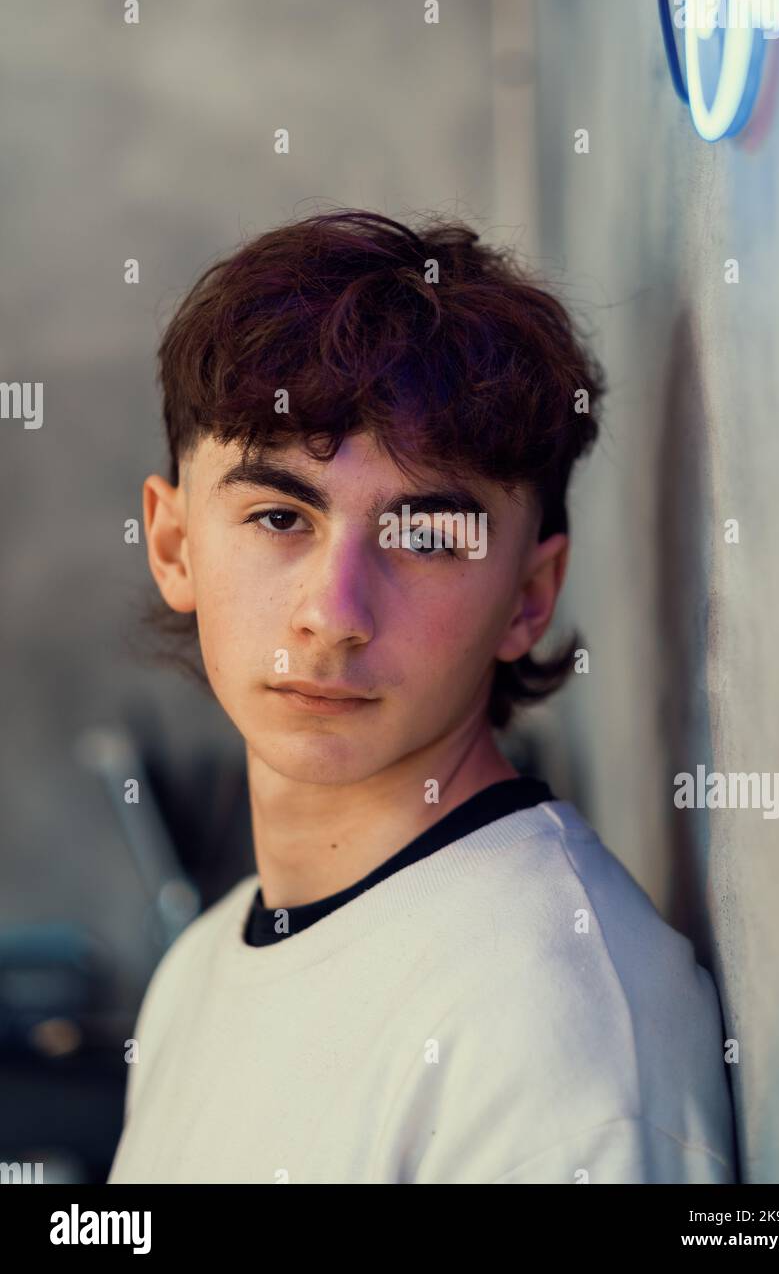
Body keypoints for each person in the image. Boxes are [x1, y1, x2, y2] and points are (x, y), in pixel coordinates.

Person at [107, 208, 736, 1184]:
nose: (335, 611)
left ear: (528, 597)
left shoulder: (543, 1031)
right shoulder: (196, 973)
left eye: (426, 536)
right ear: (173, 544)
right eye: (280, 515)